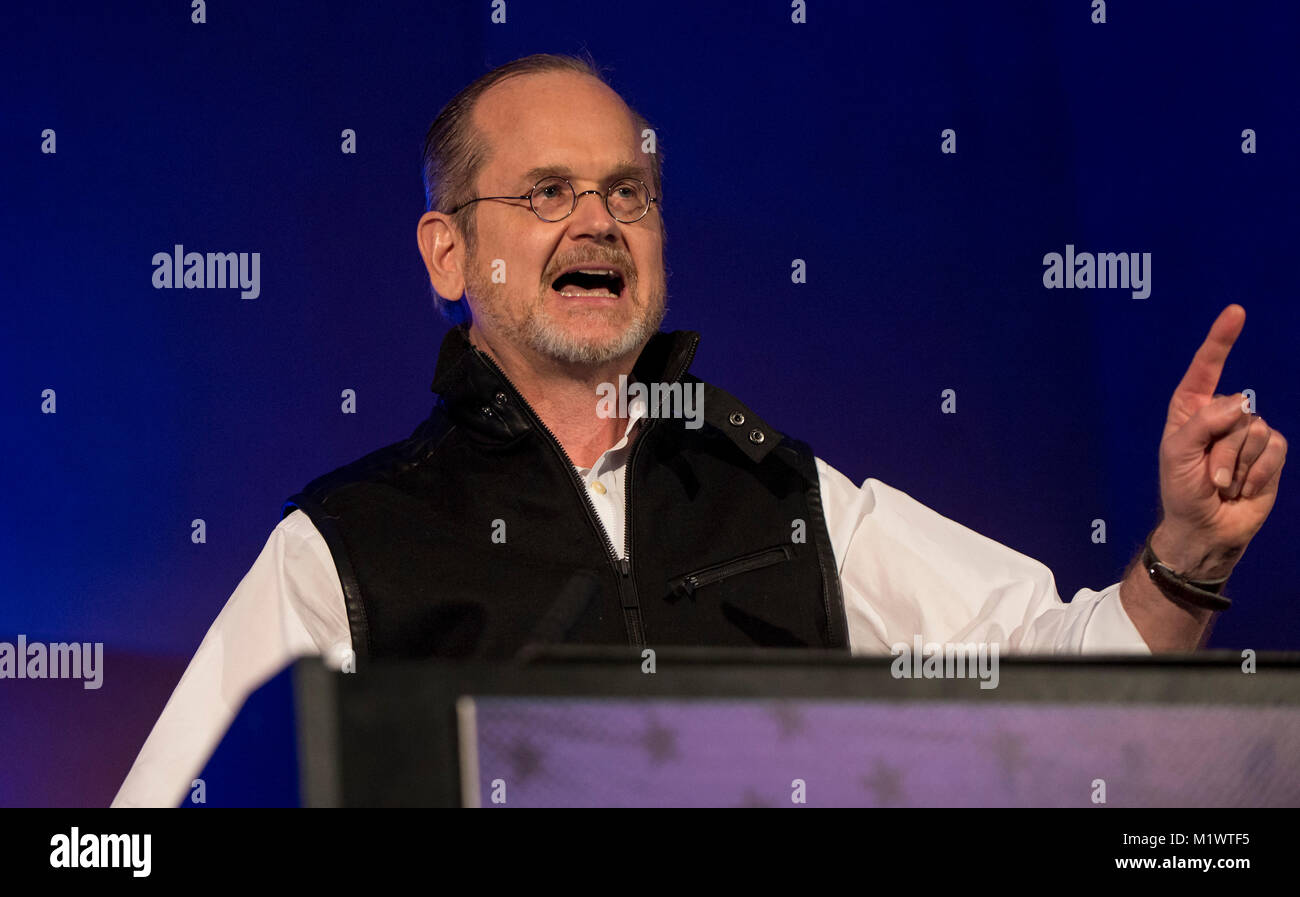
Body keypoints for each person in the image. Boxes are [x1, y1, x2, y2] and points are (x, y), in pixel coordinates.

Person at [111, 53, 1287, 807]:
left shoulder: (782, 493)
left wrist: (1187, 555)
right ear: (449, 252)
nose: (601, 222)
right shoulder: (347, 540)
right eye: (548, 192)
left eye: (630, 193)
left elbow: (1058, 681)